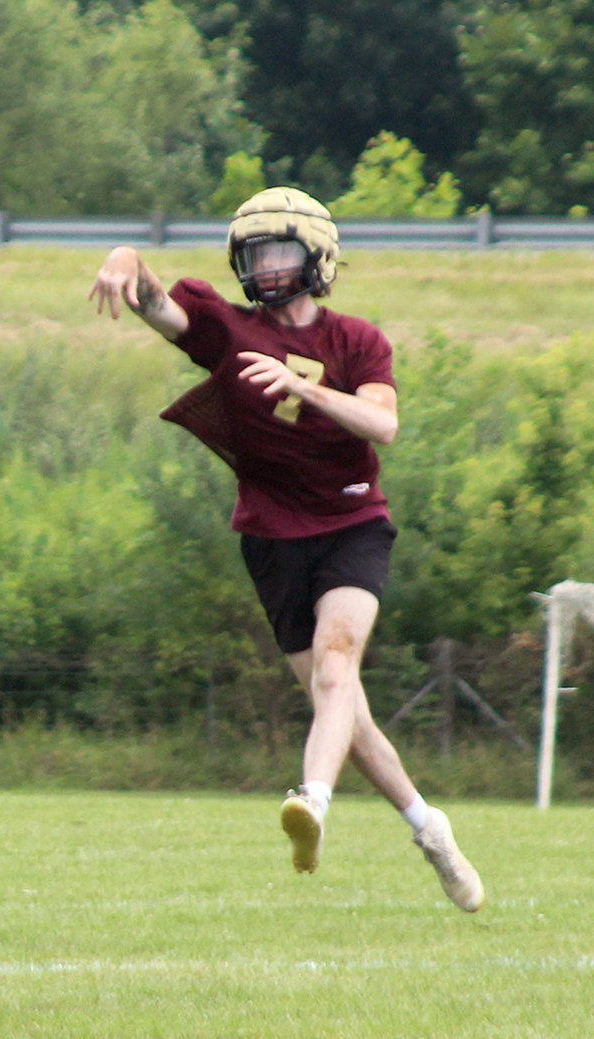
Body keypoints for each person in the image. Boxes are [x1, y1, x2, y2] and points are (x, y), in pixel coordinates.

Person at [88, 187, 484, 911]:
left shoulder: (357, 340)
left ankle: (313, 802)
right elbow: (158, 306)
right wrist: (125, 257)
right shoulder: (228, 328)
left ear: (318, 257)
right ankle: (430, 829)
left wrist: (313, 387)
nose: (267, 267)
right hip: (271, 537)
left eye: (280, 251)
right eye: (255, 254)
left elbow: (383, 424)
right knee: (346, 710)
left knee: (337, 670)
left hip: (351, 524)